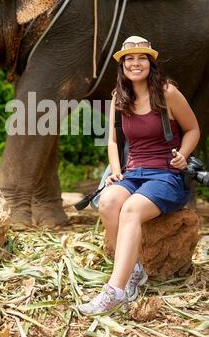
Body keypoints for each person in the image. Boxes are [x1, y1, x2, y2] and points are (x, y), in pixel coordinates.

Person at [77, 35, 200, 316]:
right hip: (133, 173)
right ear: (122, 66)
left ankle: (115, 292)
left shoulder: (167, 93)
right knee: (108, 202)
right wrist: (116, 170)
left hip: (166, 175)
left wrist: (183, 153)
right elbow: (112, 141)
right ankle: (133, 272)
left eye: (141, 57)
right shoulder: (118, 98)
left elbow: (193, 129)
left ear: (150, 62)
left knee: (130, 209)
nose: (135, 63)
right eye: (129, 59)